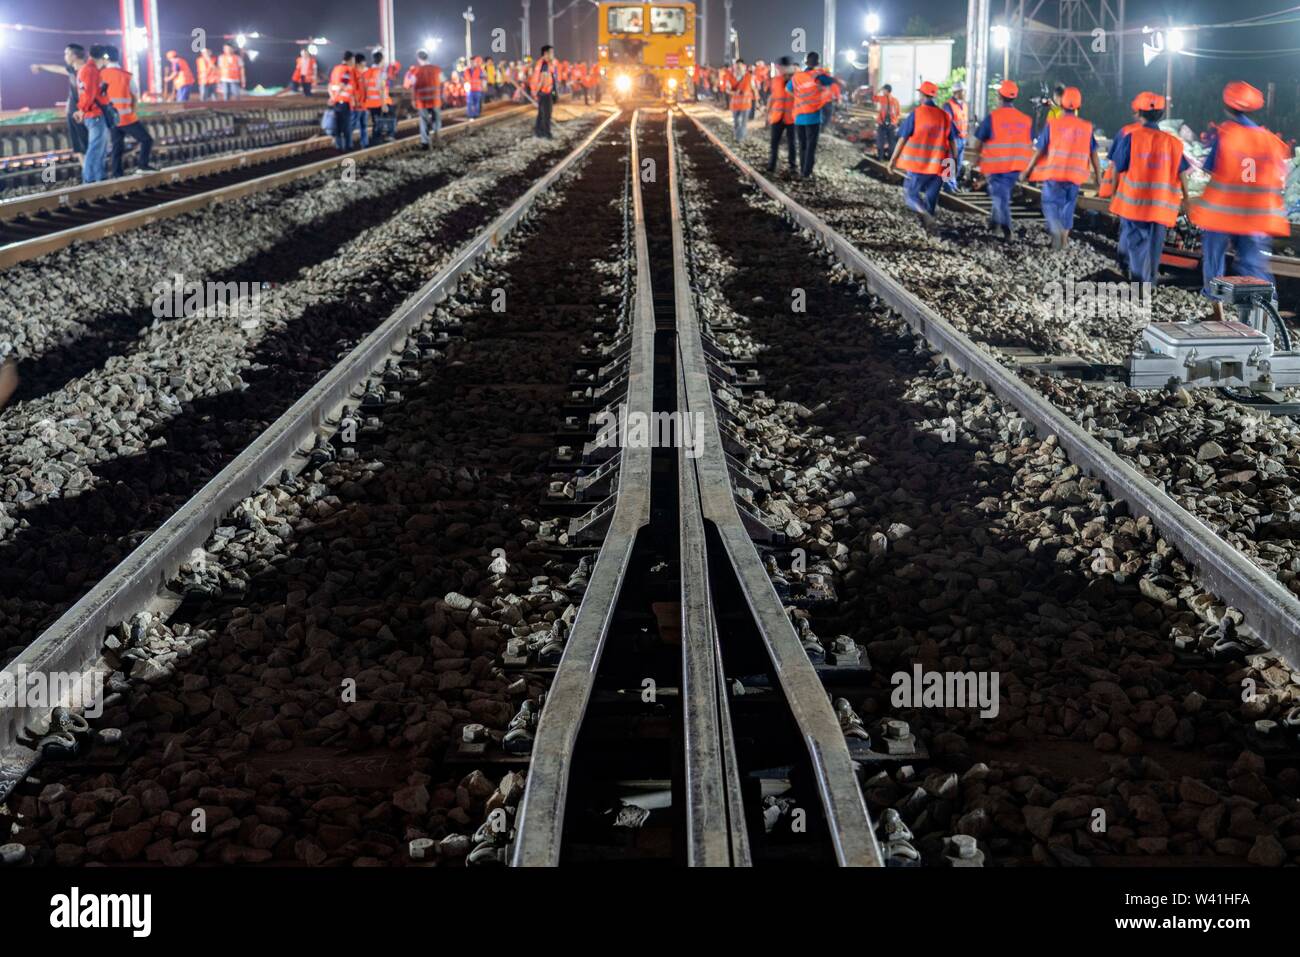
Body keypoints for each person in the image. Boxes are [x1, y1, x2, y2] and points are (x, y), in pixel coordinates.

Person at [1189, 81, 1290, 308]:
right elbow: (1278, 177)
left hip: (1222, 215)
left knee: (1214, 262)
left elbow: (1210, 170)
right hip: (1256, 217)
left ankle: (1217, 308)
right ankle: (1267, 310)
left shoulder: (1226, 135)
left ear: (1227, 106)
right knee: (1254, 266)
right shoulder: (1270, 140)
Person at [1107, 91, 1191, 283]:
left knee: (1135, 244)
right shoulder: (1173, 143)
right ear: (1161, 114)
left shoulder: (1131, 138)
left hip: (1135, 205)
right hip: (1161, 207)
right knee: (1154, 247)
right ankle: (1148, 282)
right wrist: (1186, 199)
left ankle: (1138, 284)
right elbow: (1182, 172)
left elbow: (1118, 168)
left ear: (1138, 112)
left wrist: (1113, 196)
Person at [1021, 86, 1101, 250]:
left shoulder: (1053, 124)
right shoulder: (1086, 127)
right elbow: (1094, 153)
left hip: (1055, 174)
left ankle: (1056, 231)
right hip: (1075, 176)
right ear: (1078, 106)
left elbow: (1039, 150)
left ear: (1062, 105)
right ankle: (1063, 242)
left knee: (1050, 203)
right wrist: (1098, 177)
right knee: (1068, 207)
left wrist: (1028, 170)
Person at [888, 80, 958, 230]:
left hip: (919, 166)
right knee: (931, 198)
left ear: (922, 95)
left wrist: (893, 161)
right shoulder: (945, 116)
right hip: (940, 167)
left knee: (910, 196)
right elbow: (953, 143)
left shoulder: (917, 114)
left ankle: (926, 216)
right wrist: (953, 167)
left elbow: (903, 138)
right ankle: (929, 227)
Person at [973, 79, 1034, 240]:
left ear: (1000, 96)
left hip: (996, 166)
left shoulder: (993, 118)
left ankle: (1007, 228)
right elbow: (1029, 144)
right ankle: (994, 223)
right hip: (1015, 167)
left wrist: (977, 159)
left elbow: (977, 142)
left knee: (1000, 197)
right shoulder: (1025, 120)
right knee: (1001, 194)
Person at [1099, 95, 1149, 267]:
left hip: (1127, 190)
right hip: (1151, 194)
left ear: (1136, 112)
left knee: (1128, 228)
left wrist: (1113, 194)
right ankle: (1138, 270)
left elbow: (1116, 164)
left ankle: (1125, 263)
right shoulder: (1162, 136)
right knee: (1143, 234)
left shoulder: (1125, 132)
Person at [100, 46, 155, 177]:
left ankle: (117, 174)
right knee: (146, 140)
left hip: (111, 119)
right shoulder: (126, 76)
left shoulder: (101, 75)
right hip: (126, 118)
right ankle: (142, 165)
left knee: (117, 146)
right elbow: (135, 96)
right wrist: (133, 112)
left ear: (105, 59)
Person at [787, 52, 837, 178]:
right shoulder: (818, 75)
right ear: (817, 62)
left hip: (799, 117)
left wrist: (798, 98)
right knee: (810, 146)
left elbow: (788, 89)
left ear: (805, 62)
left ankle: (803, 169)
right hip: (813, 117)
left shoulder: (797, 77)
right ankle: (806, 172)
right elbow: (831, 82)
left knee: (802, 145)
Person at [66, 43, 108, 184]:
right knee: (95, 149)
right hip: (95, 114)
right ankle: (89, 181)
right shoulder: (90, 70)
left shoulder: (86, 70)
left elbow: (86, 93)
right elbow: (89, 94)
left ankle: (99, 178)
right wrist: (82, 110)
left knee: (99, 150)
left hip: (92, 114)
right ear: (102, 58)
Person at [405, 50, 443, 148]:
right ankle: (437, 135)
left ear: (418, 58)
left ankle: (425, 142)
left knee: (423, 121)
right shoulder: (436, 69)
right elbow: (443, 82)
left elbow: (412, 86)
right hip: (435, 100)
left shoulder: (416, 71)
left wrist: (413, 100)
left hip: (422, 102)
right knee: (437, 119)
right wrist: (443, 96)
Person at [766, 56, 797, 175]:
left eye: (784, 67)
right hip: (777, 117)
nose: (781, 69)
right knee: (774, 143)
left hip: (792, 118)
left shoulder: (796, 81)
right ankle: (771, 165)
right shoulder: (776, 80)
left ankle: (792, 166)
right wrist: (768, 113)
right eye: (781, 67)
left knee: (792, 144)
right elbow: (773, 97)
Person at [943, 80, 969, 190]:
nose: (965, 93)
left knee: (957, 162)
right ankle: (948, 186)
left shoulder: (964, 105)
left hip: (962, 138)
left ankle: (953, 184)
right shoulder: (948, 105)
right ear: (956, 92)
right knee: (950, 161)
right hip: (952, 139)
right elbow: (948, 123)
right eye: (963, 91)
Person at [327, 51, 355, 151]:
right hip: (344, 103)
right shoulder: (347, 70)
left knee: (337, 126)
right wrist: (335, 98)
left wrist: (332, 98)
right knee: (347, 126)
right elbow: (343, 85)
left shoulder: (335, 69)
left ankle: (339, 146)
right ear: (350, 59)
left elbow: (330, 86)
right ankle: (348, 147)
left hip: (336, 103)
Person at [365, 51, 394, 142]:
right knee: (391, 117)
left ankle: (375, 140)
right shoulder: (381, 73)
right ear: (381, 60)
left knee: (375, 122)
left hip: (370, 102)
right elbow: (381, 89)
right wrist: (383, 104)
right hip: (380, 102)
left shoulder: (367, 72)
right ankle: (388, 136)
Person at [532, 46, 557, 139]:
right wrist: (536, 92)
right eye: (551, 53)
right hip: (544, 92)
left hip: (543, 92)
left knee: (541, 113)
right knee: (546, 114)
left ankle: (539, 132)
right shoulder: (545, 64)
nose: (552, 55)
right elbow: (542, 80)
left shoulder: (541, 63)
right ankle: (546, 133)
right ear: (546, 53)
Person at [873, 83, 900, 161]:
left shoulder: (882, 98)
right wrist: (895, 122)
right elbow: (898, 113)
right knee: (892, 143)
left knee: (880, 141)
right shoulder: (896, 100)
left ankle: (880, 158)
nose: (882, 91)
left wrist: (878, 90)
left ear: (887, 91)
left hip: (882, 124)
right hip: (892, 124)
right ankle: (890, 159)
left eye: (883, 90)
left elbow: (874, 97)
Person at [728, 60, 754, 142]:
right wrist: (734, 92)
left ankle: (740, 139)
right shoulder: (731, 77)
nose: (738, 68)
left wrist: (756, 98)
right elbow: (727, 89)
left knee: (743, 123)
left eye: (740, 66)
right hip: (735, 105)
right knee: (736, 122)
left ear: (744, 66)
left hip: (746, 105)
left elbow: (754, 87)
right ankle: (738, 136)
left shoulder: (749, 77)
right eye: (737, 66)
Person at [349, 52, 370, 149]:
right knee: (352, 125)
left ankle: (364, 144)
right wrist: (355, 100)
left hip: (364, 104)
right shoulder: (353, 72)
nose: (365, 63)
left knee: (364, 126)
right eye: (364, 62)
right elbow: (353, 88)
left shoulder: (364, 73)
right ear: (359, 63)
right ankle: (347, 143)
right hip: (357, 105)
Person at [465, 54, 485, 119]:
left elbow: (483, 79)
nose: (472, 63)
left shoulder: (480, 70)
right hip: (469, 90)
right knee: (469, 103)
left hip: (477, 90)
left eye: (473, 62)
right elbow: (464, 79)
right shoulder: (467, 70)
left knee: (477, 103)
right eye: (471, 62)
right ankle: (470, 115)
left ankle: (476, 115)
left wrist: (483, 87)